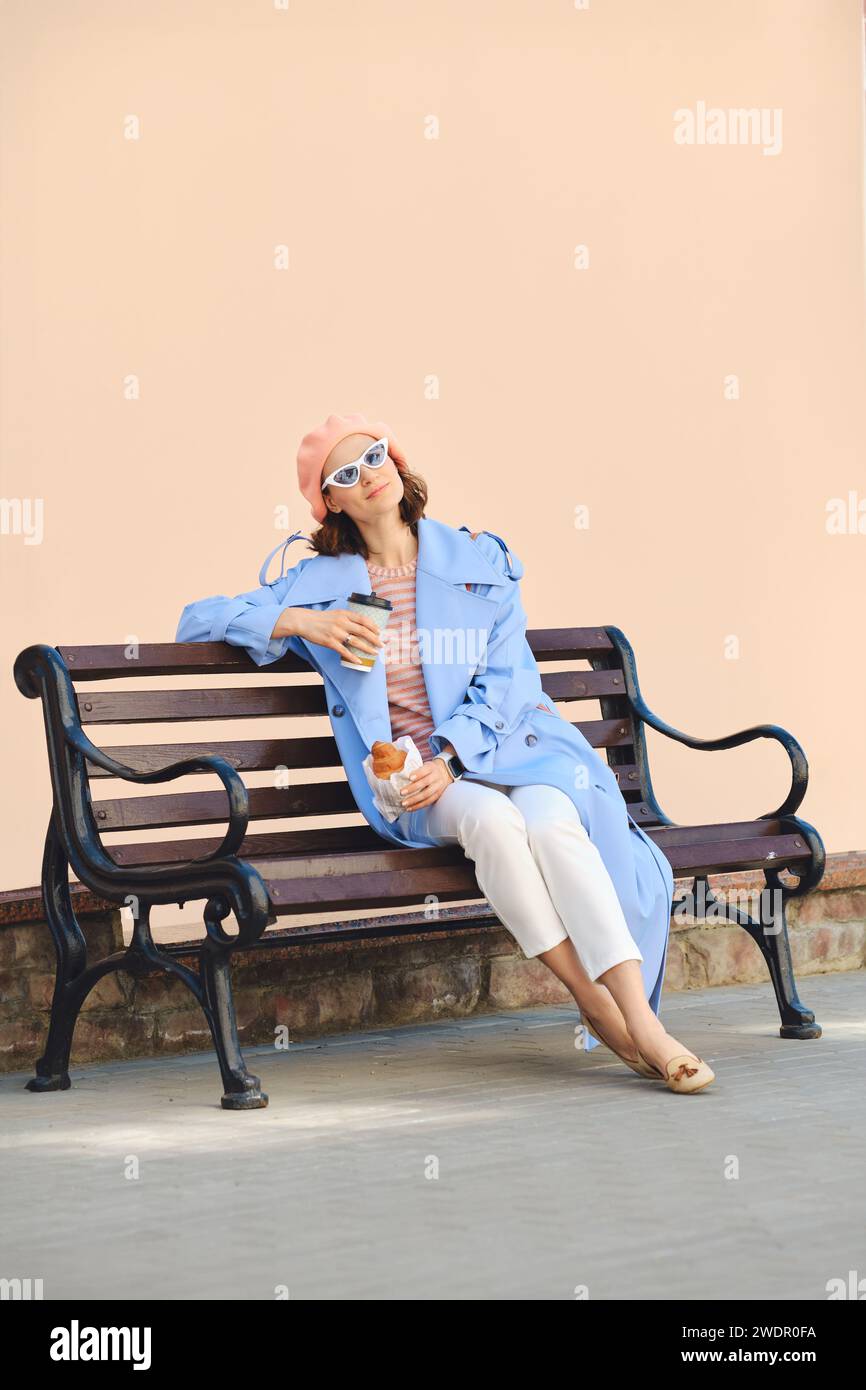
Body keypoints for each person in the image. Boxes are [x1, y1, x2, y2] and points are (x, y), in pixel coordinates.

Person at [176, 412, 715, 1095]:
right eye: (345, 474)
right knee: (491, 823)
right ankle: (592, 998)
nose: (368, 476)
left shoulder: (476, 560)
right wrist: (300, 620)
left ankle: (643, 1022)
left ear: (396, 462)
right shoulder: (318, 585)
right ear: (329, 501)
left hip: (519, 751)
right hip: (411, 783)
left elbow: (511, 682)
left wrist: (454, 757)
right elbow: (195, 620)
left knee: (551, 822)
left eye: (373, 456)